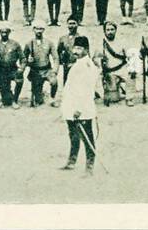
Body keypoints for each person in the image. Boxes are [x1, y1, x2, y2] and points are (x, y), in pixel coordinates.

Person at [59, 36, 100, 174]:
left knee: (87, 136)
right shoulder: (77, 64)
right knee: (73, 135)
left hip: (82, 108)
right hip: (71, 107)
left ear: (86, 49)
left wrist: (79, 109)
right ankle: (72, 161)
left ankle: (90, 166)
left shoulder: (88, 66)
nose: (75, 51)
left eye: (79, 48)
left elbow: (87, 91)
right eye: (75, 48)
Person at [97, 22, 134, 106]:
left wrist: (131, 67)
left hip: (122, 69)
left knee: (131, 76)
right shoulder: (101, 44)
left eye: (112, 29)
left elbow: (130, 55)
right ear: (104, 31)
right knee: (113, 99)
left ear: (116, 30)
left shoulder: (122, 41)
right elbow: (95, 59)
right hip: (110, 72)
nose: (110, 32)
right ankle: (118, 89)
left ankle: (129, 98)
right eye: (108, 30)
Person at [0, 26, 24, 109]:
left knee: (19, 80)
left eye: (6, 32)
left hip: (12, 69)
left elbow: (23, 58)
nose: (4, 34)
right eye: (2, 32)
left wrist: (21, 68)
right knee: (6, 100)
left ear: (9, 32)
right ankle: (5, 97)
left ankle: (15, 100)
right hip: (0, 70)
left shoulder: (15, 44)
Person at [24, 24, 58, 107]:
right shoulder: (29, 43)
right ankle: (39, 95)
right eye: (37, 29)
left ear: (44, 30)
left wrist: (55, 70)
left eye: (41, 29)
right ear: (33, 30)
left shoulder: (49, 43)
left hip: (47, 69)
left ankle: (52, 98)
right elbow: (23, 59)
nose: (39, 31)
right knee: (39, 101)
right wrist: (28, 62)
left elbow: (56, 58)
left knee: (54, 82)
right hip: (35, 71)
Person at [56, 17, 82, 85]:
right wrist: (62, 60)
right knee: (67, 86)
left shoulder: (81, 38)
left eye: (74, 23)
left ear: (77, 24)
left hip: (79, 67)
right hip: (67, 67)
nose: (71, 26)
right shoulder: (63, 38)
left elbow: (86, 55)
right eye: (70, 24)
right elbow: (58, 52)